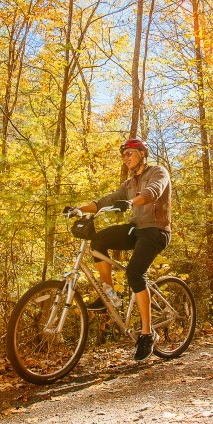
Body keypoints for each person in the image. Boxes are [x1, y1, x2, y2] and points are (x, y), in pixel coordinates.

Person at [69, 138, 172, 360]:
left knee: (134, 273)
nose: (126, 157)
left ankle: (147, 334)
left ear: (143, 154)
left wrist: (132, 202)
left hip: (156, 231)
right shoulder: (129, 183)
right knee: (98, 241)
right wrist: (77, 209)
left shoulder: (158, 172)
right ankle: (109, 295)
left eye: (130, 153)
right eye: (123, 154)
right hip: (136, 229)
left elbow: (154, 191)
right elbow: (105, 201)